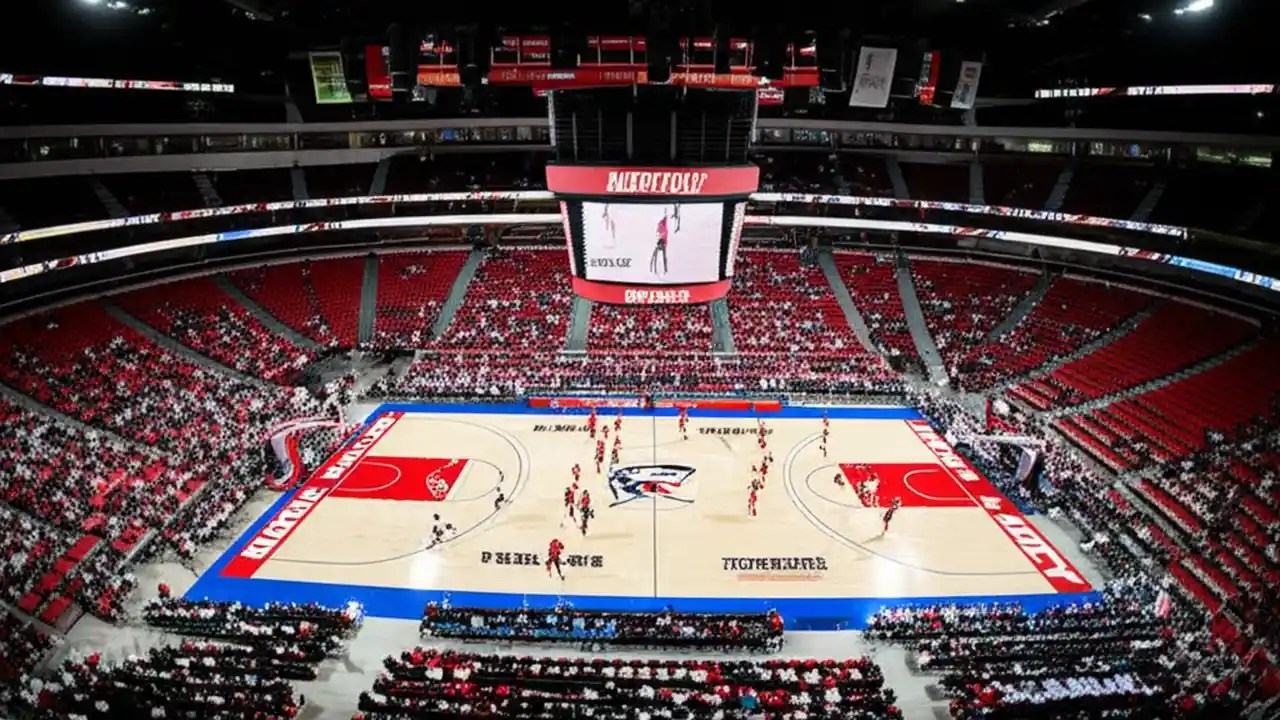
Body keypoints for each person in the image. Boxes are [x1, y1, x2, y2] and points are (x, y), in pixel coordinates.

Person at [650, 208, 671, 275]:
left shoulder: (664, 224)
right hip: (661, 241)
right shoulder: (661, 224)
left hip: (663, 241)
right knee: (658, 256)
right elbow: (658, 232)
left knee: (662, 256)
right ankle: (655, 269)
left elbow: (660, 232)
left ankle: (663, 270)